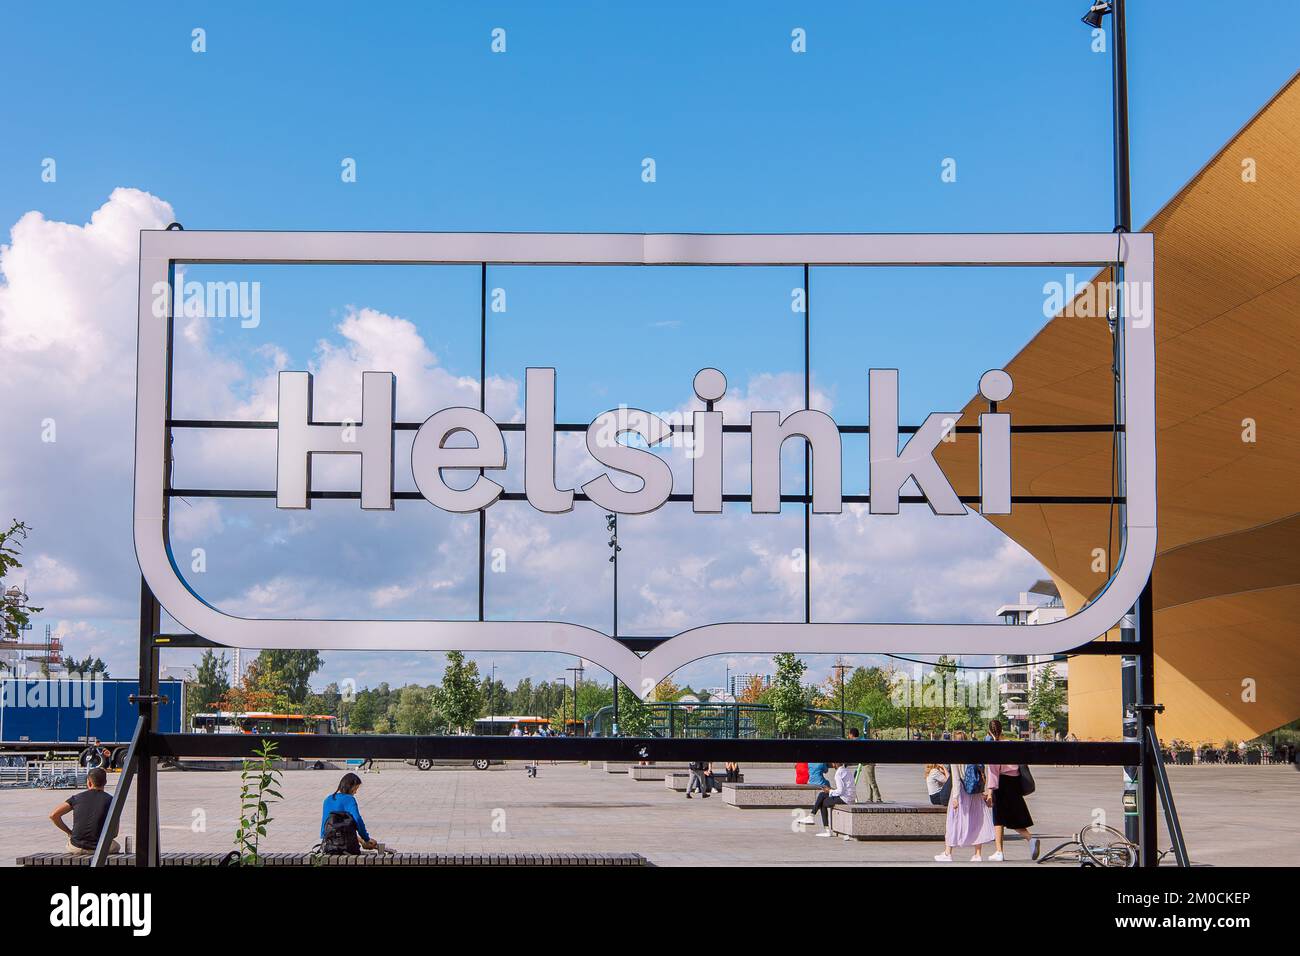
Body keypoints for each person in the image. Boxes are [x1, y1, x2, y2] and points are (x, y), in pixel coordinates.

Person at [933, 731, 994, 862]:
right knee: (977, 822)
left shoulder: (955, 755)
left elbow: (955, 778)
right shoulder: (974, 753)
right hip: (975, 793)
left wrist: (955, 797)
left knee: (953, 821)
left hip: (961, 792)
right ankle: (977, 854)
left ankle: (947, 853)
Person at [985, 719, 1040, 861]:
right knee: (1014, 816)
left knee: (998, 818)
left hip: (1001, 784)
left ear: (989, 732)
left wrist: (990, 792)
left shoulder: (993, 748)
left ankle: (999, 851)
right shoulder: (1011, 744)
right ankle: (1029, 838)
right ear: (1002, 729)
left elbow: (993, 772)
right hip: (1014, 782)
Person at [50, 767, 118, 855]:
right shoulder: (111, 800)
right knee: (116, 846)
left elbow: (53, 815)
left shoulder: (76, 798)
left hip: (77, 847)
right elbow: (114, 833)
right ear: (105, 782)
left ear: (89, 782)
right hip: (101, 848)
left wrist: (69, 832)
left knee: (71, 844)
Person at [320, 772, 378, 854]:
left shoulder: (328, 799)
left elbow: (329, 829)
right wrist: (366, 839)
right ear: (350, 787)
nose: (355, 792)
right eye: (356, 789)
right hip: (348, 847)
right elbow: (357, 820)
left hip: (329, 847)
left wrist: (361, 841)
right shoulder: (350, 799)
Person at [798, 761, 855, 837]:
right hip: (850, 797)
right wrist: (830, 791)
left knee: (823, 801)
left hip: (845, 799)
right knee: (822, 795)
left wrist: (829, 791)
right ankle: (811, 816)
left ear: (834, 764)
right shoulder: (847, 771)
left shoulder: (838, 774)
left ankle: (824, 827)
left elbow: (840, 791)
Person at [847, 727, 884, 803]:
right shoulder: (860, 740)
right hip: (864, 763)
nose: (848, 736)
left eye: (849, 734)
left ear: (851, 734)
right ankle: (869, 798)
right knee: (867, 781)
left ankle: (878, 798)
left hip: (869, 763)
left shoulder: (858, 742)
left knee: (871, 781)